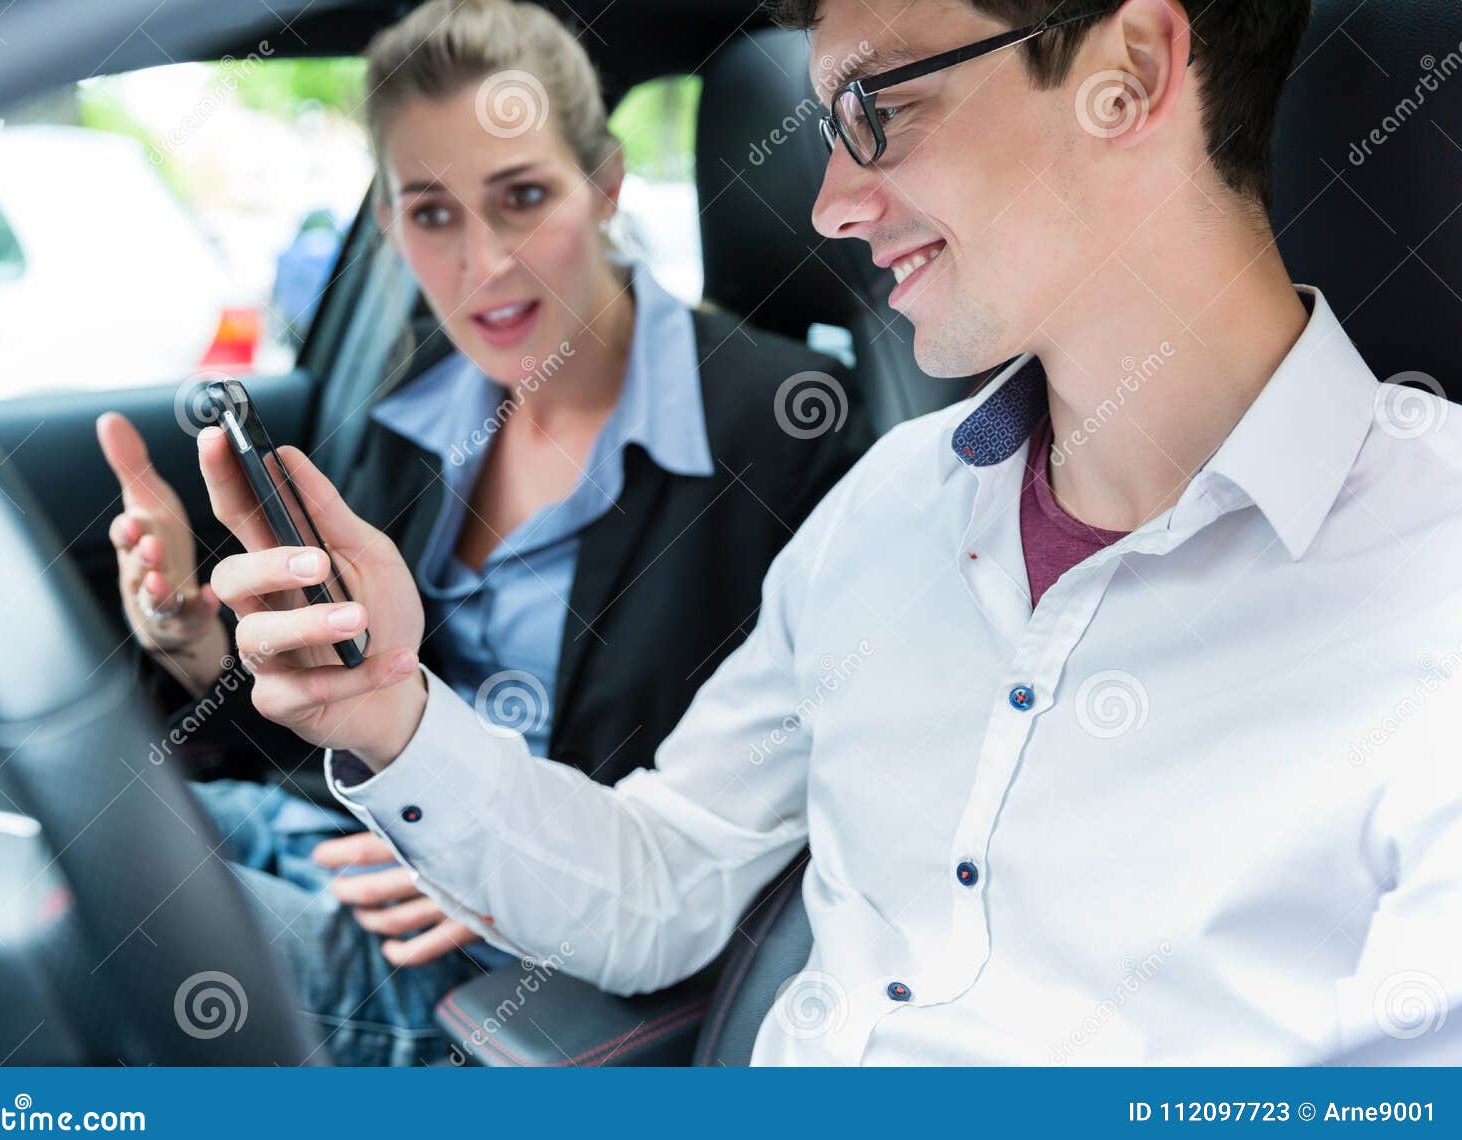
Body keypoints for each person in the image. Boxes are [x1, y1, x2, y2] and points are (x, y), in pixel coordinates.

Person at [196, 0, 1462, 1065]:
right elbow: (667, 880)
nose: (830, 207)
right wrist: (389, 712)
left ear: (1125, 76)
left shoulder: (1430, 584)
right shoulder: (891, 502)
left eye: (880, 108)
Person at [95, 0, 866, 1065]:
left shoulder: (787, 428)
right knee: (25, 825)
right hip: (347, 850)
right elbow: (357, 709)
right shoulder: (418, 394)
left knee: (55, 925)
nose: (485, 263)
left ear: (605, 187)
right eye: (432, 213)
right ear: (388, 225)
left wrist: (502, 865)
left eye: (522, 197)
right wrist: (193, 638)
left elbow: (757, 810)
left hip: (510, 965)